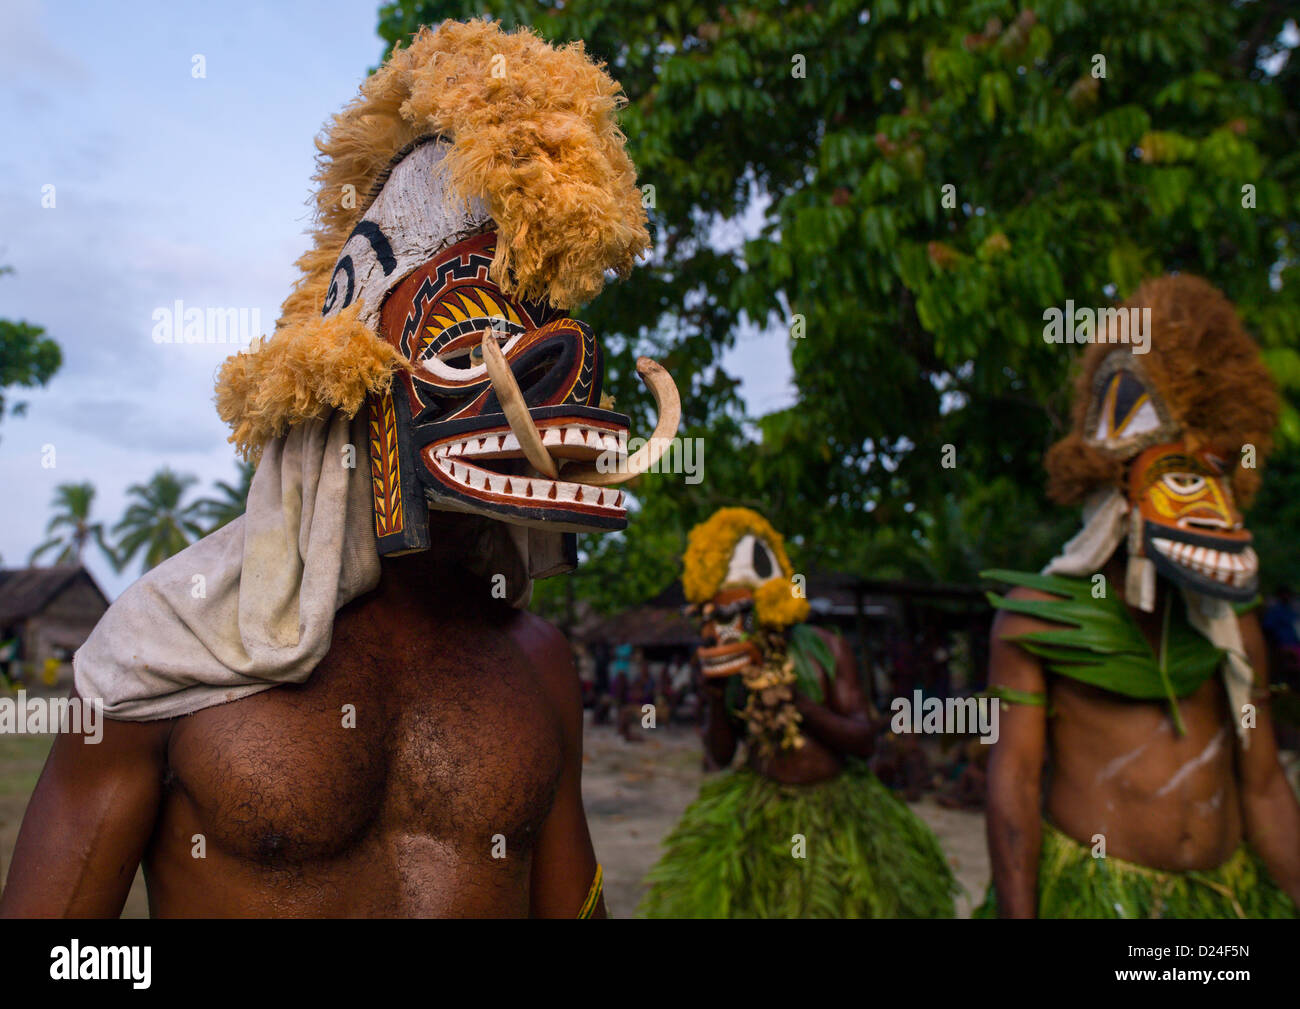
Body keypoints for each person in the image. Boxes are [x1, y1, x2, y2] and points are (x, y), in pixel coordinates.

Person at [0, 21, 681, 919]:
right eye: (469, 344)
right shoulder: (162, 651)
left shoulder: (538, 664)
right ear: (351, 375)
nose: (520, 388)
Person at [980, 274, 1300, 918]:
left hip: (1220, 909)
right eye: (1175, 476)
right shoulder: (1033, 624)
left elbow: (1264, 787)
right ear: (1117, 484)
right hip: (1100, 901)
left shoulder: (1234, 633)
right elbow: (1011, 785)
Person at [638, 508, 956, 917]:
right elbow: (719, 756)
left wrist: (798, 703)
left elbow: (862, 741)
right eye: (725, 613)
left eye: (744, 610)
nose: (735, 623)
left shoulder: (827, 648)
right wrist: (716, 698)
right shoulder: (731, 660)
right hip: (759, 810)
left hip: (835, 810)